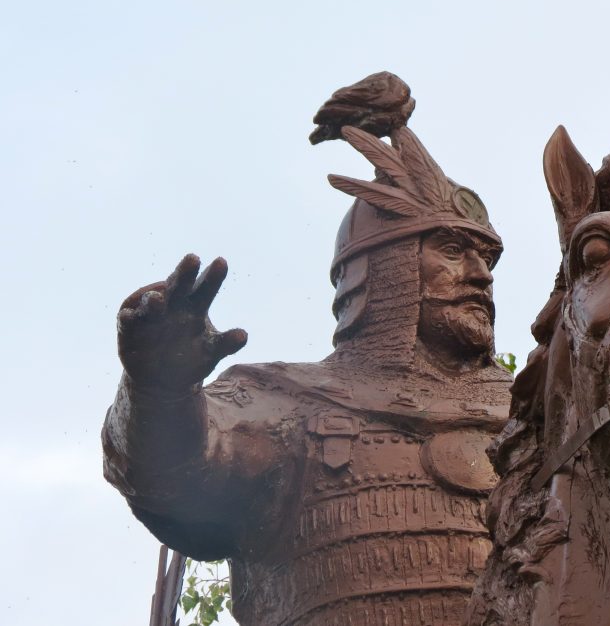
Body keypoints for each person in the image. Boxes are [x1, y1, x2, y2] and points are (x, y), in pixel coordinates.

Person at [102, 73, 511, 626]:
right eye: (454, 251)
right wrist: (158, 390)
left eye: (488, 259)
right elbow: (170, 477)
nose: (482, 275)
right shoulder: (285, 402)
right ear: (382, 269)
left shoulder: (541, 416)